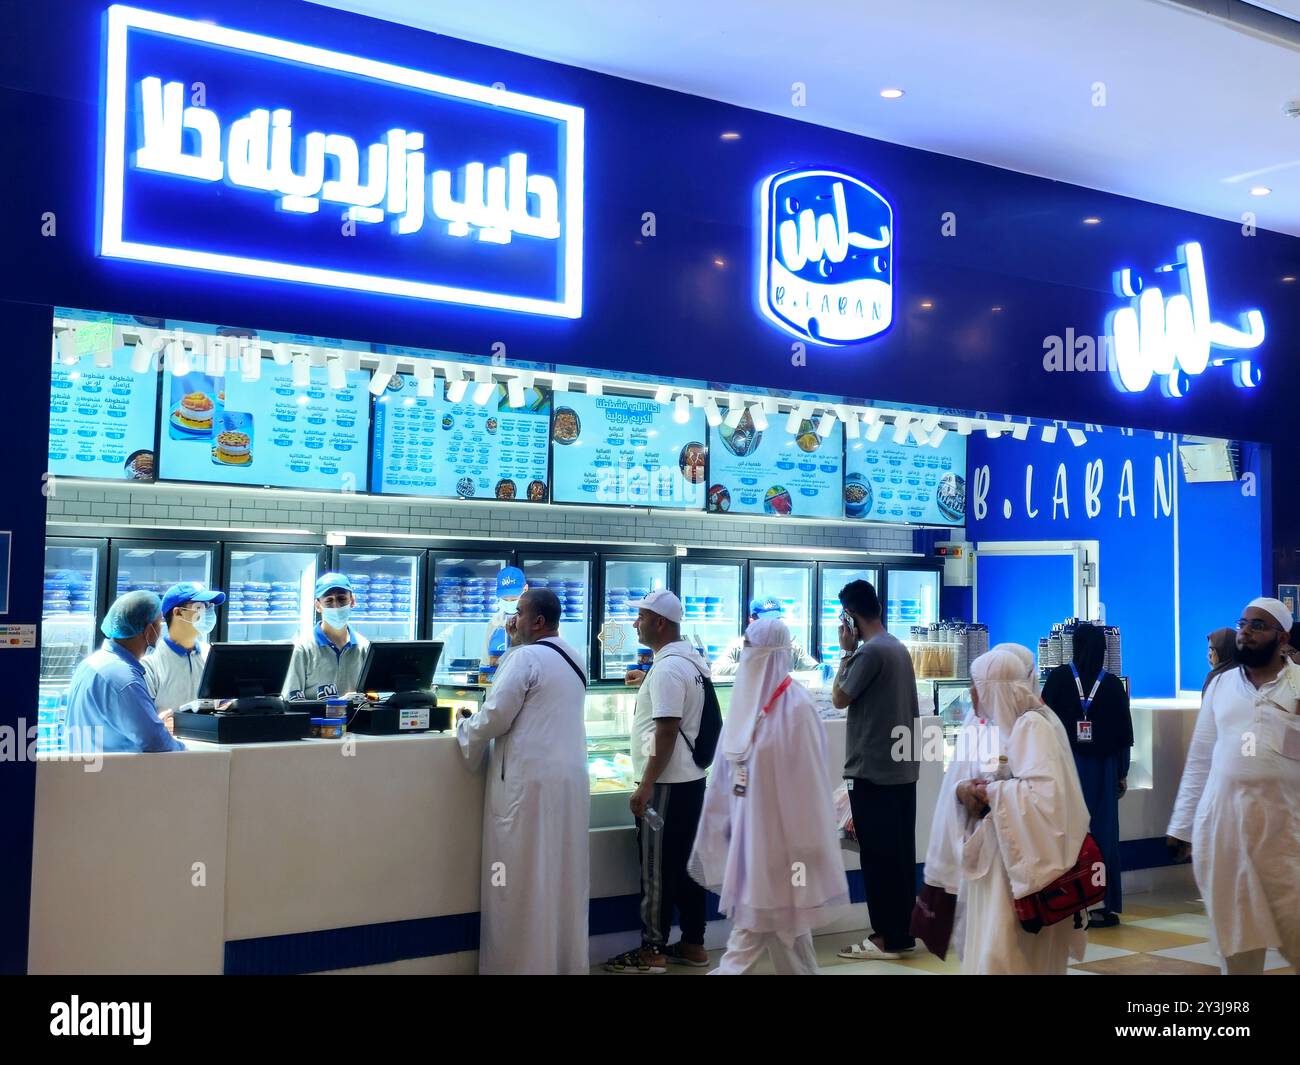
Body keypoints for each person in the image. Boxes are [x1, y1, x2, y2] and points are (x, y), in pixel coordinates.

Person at [689, 618, 850, 974]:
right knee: (787, 934)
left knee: (756, 937)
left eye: (752, 649)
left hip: (786, 853)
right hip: (754, 849)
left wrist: (802, 852)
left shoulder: (797, 708)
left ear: (772, 655)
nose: (746, 656)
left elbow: (808, 787)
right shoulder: (749, 706)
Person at [924, 648, 1091, 974]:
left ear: (997, 689)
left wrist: (990, 791)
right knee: (990, 952)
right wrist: (965, 791)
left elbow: (1045, 798)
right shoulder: (996, 724)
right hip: (995, 867)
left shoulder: (1033, 726)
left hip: (1019, 872)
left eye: (979, 686)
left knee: (1008, 957)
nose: (972, 694)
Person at [455, 587, 589, 974]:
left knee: (518, 878)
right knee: (560, 877)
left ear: (538, 621)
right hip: (568, 786)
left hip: (526, 789)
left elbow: (496, 716)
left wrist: (465, 728)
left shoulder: (524, 658)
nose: (511, 621)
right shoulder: (574, 657)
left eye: (517, 613)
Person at [1167, 596, 1300, 975]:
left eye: (1257, 626)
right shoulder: (1222, 685)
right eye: (1242, 624)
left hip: (1285, 832)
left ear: (1282, 635)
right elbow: (1200, 757)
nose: (1245, 632)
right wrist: (1181, 826)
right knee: (1237, 937)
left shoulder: (1298, 684)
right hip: (1225, 829)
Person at [604, 590, 712, 973]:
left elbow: (666, 731)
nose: (636, 623)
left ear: (660, 623)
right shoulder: (690, 662)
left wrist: (645, 783)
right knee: (685, 864)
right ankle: (695, 944)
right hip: (691, 780)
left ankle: (652, 951)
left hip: (665, 784)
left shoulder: (667, 669)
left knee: (655, 868)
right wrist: (646, 680)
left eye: (642, 617)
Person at [831, 579, 920, 961]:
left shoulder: (868, 654)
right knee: (899, 855)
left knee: (877, 858)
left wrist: (845, 653)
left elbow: (838, 698)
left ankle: (884, 936)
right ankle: (902, 932)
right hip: (901, 771)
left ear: (850, 617)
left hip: (872, 772)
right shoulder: (897, 648)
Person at [1040, 622, 1133, 928]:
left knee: (1068, 832)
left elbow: (1041, 723)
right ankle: (1102, 905)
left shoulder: (1057, 679)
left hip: (1066, 766)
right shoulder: (1112, 685)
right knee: (1104, 834)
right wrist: (1121, 773)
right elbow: (1123, 735)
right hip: (1104, 768)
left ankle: (1066, 902)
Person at [64, 590, 185, 753]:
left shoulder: (92, 663)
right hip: (113, 775)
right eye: (159, 625)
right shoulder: (124, 679)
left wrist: (154, 724)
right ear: (150, 631)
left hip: (88, 771)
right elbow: (157, 743)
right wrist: (181, 746)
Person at [283, 572, 370, 700]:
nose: (336, 606)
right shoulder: (303, 648)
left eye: (342, 599)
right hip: (313, 720)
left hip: (356, 719)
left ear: (352, 600)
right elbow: (290, 702)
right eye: (329, 601)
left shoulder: (364, 647)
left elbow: (373, 696)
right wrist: (337, 705)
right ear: (318, 606)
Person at [143, 582, 226, 714]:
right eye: (200, 606)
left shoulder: (212, 656)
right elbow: (143, 719)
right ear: (178, 613)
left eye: (209, 606)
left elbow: (223, 701)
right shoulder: (150, 665)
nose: (208, 612)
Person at [711, 596, 819, 678]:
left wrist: (822, 669)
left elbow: (813, 668)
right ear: (752, 620)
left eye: (775, 620)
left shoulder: (791, 647)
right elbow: (717, 669)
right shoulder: (739, 647)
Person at [481, 565, 527, 669]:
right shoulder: (494, 623)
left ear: (525, 589)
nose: (509, 602)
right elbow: (485, 663)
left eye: (514, 598)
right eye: (505, 598)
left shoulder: (537, 622)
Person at [1204, 627, 1239, 693]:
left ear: (1225, 651)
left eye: (1212, 649)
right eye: (1209, 650)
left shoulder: (1215, 679)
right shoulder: (1245, 675)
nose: (1209, 654)